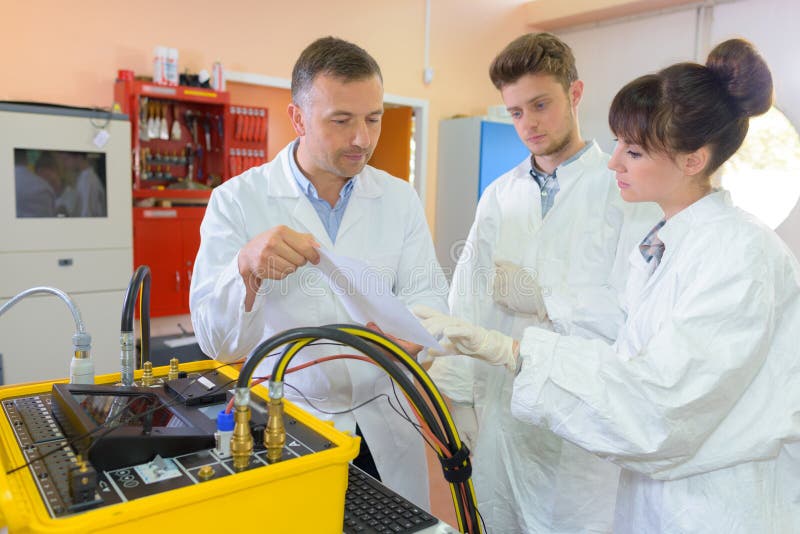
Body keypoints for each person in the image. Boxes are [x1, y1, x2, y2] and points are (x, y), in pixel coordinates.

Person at [417, 38, 800, 533]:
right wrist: (467, 380)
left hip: (707, 500)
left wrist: (519, 346)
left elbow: (658, 408)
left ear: (693, 160)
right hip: (617, 459)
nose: (615, 161)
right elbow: (631, 362)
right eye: (516, 111)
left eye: (633, 150)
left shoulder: (741, 254)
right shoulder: (667, 242)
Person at [190, 36, 447, 509]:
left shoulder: (398, 198)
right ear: (298, 117)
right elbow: (216, 341)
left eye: (373, 118)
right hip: (290, 422)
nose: (363, 139)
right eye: (341, 121)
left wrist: (419, 332)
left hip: (383, 417)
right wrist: (245, 269)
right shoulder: (237, 201)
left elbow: (427, 292)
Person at [426, 32, 657, 533]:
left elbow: (636, 311)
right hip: (501, 416)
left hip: (581, 427)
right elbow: (466, 299)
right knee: (496, 518)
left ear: (574, 94)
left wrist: (549, 301)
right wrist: (457, 398)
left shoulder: (623, 191)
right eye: (514, 112)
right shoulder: (499, 195)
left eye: (540, 104)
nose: (528, 124)